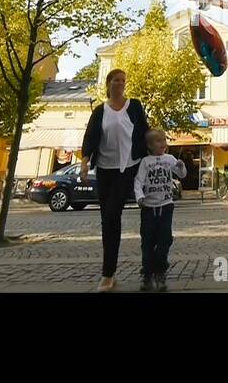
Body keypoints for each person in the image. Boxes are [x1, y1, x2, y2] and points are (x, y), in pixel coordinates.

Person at [80, 69, 150, 292]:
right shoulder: (100, 111)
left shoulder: (135, 106)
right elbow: (90, 137)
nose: (120, 84)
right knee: (107, 219)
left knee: (112, 213)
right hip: (105, 169)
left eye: (123, 81)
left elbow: (145, 132)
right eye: (116, 80)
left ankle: (108, 274)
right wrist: (84, 162)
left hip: (127, 167)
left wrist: (157, 154)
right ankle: (108, 274)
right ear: (108, 84)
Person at [134, 129, 186, 292]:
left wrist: (180, 166)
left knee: (165, 239)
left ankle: (160, 270)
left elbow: (181, 174)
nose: (163, 143)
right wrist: (140, 196)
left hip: (166, 205)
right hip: (149, 208)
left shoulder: (169, 159)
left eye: (164, 140)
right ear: (149, 145)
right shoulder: (145, 162)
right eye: (158, 141)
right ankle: (147, 273)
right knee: (147, 241)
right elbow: (138, 181)